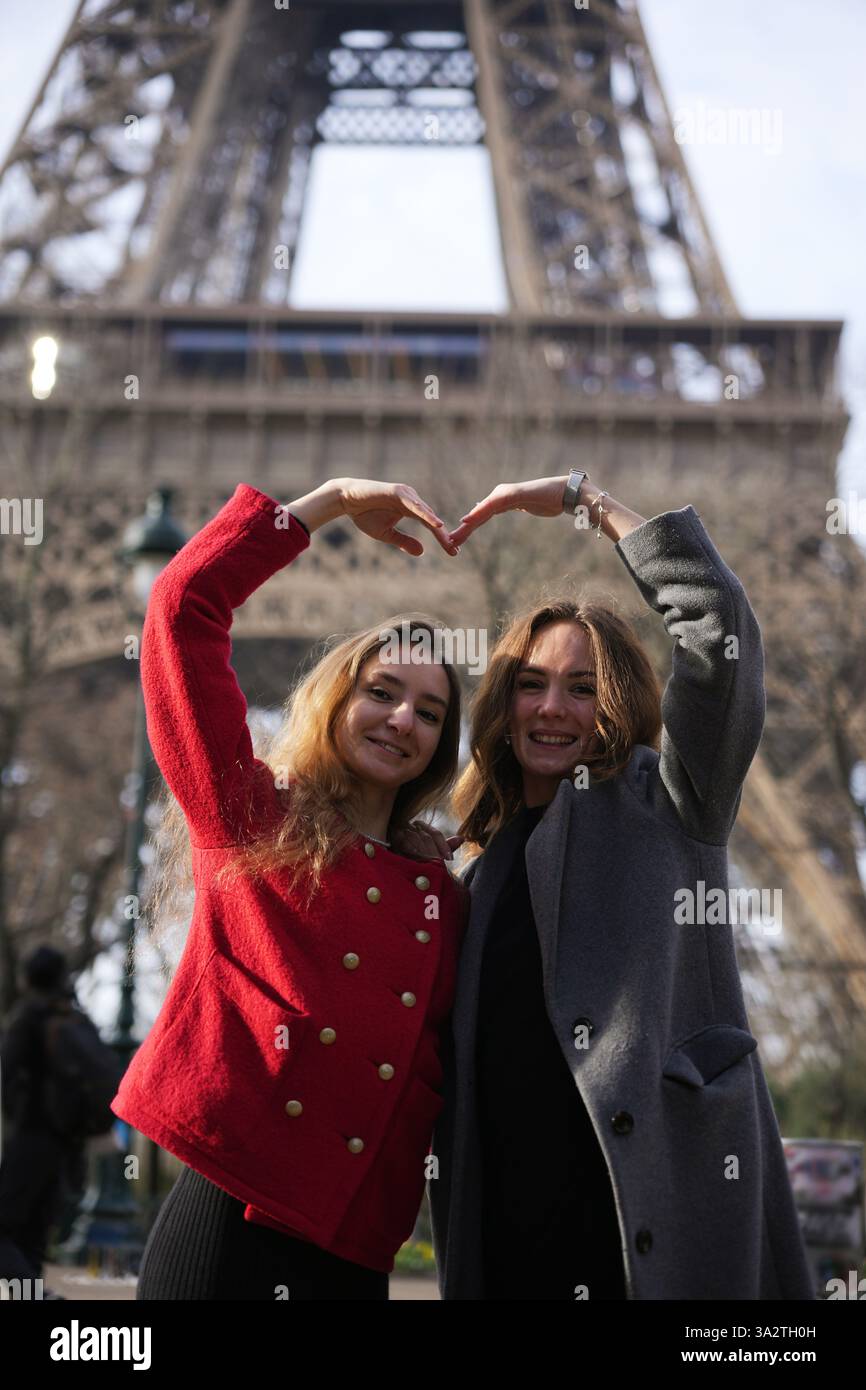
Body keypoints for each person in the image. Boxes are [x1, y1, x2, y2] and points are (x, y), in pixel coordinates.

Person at [422, 471, 815, 1301]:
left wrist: (584, 501)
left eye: (582, 686)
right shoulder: (479, 863)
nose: (551, 707)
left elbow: (721, 633)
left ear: (618, 703)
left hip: (646, 1213)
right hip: (508, 1223)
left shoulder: (670, 800)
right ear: (503, 699)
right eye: (531, 683)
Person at [110, 477, 469, 1301]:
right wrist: (333, 501)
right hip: (230, 1213)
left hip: (354, 1245)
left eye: (428, 711)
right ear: (337, 699)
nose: (402, 720)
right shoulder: (250, 814)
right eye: (381, 692)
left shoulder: (444, 898)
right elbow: (181, 607)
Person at [0, 945, 87, 1298]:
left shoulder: (28, 1018)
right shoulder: (74, 1017)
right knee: (33, 1237)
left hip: (30, 1137)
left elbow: (6, 1079)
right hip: (65, 1145)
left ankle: (37, 1299)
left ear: (28, 978)